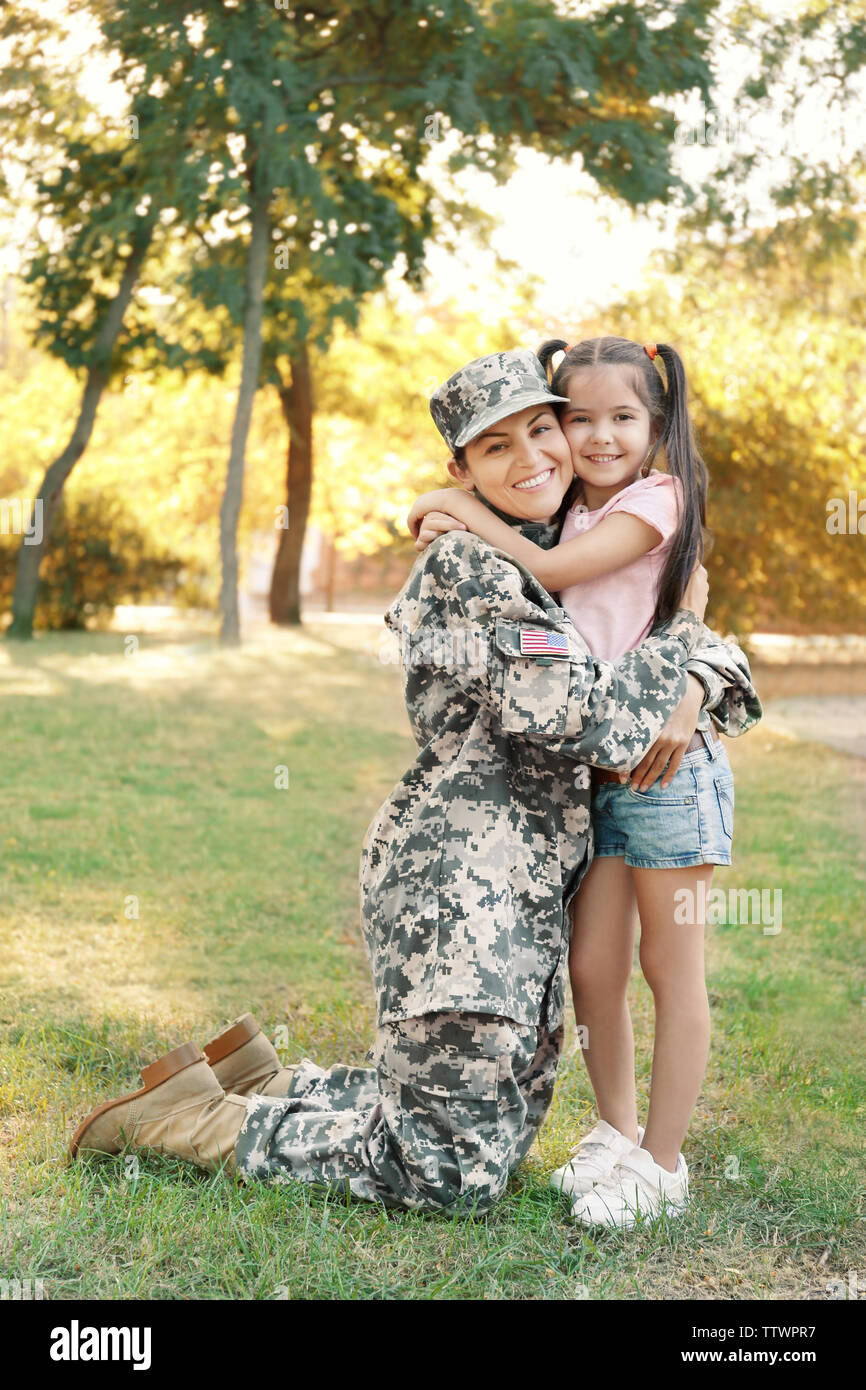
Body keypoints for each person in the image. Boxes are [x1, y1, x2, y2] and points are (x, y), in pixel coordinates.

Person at [70, 350, 759, 1219]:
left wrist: (694, 672)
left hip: (530, 884)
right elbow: (597, 715)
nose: (536, 457)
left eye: (542, 430)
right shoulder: (468, 567)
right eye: (495, 448)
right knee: (448, 1176)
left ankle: (273, 1079)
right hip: (463, 891)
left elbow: (671, 652)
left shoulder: (561, 541)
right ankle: (193, 1120)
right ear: (461, 472)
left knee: (487, 1142)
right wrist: (688, 633)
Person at [407, 336, 759, 1228]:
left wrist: (453, 504)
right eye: (580, 419)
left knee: (669, 967)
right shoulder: (566, 514)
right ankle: (615, 1129)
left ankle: (664, 1166)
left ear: (658, 426)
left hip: (670, 775)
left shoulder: (658, 499)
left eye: (623, 418)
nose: (597, 438)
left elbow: (559, 581)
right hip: (595, 778)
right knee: (595, 965)